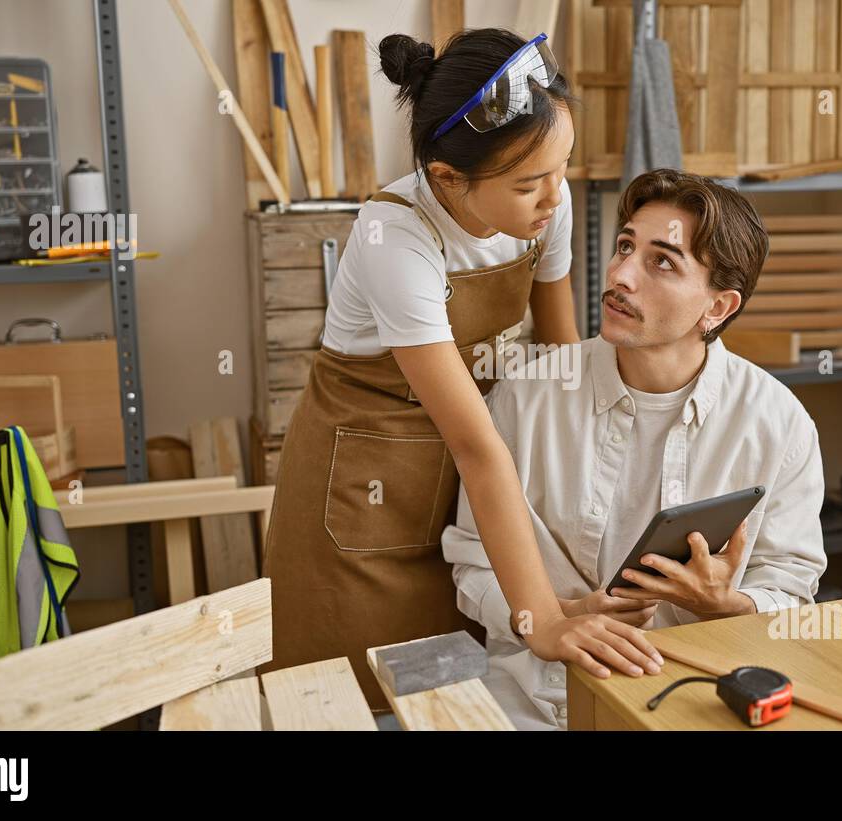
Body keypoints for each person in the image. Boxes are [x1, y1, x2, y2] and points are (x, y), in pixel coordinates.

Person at [260, 28, 662, 708]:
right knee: (362, 702)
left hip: (474, 499)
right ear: (448, 178)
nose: (554, 197)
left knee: (462, 700)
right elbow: (477, 446)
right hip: (365, 502)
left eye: (561, 169)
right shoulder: (395, 237)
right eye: (531, 183)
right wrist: (543, 618)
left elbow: (564, 367)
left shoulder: (544, 208)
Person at [443, 168, 828, 729]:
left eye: (662, 261)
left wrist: (727, 605)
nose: (620, 274)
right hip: (535, 703)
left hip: (694, 705)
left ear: (717, 308)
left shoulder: (779, 422)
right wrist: (547, 619)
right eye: (625, 246)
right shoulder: (526, 398)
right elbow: (471, 563)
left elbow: (793, 588)